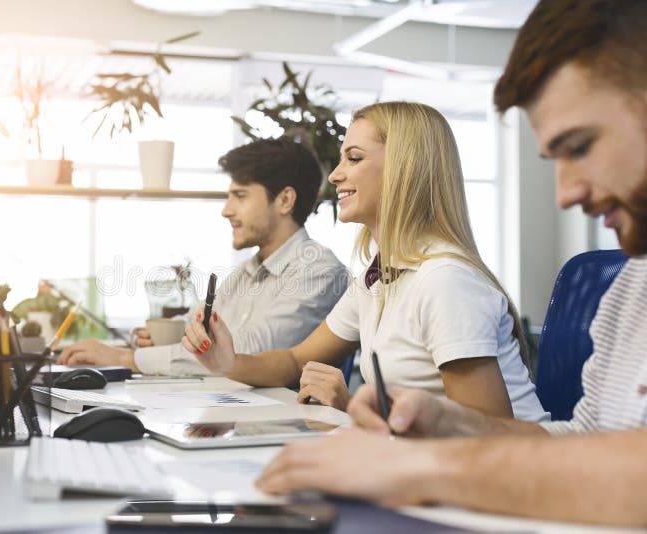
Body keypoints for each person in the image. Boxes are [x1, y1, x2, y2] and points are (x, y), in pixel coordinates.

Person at [254, 0, 647, 527]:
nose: (564, 194)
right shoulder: (630, 288)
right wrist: (451, 427)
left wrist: (427, 465)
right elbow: (589, 442)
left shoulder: (445, 279)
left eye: (581, 145)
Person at [183, 102, 547, 420]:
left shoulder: (444, 281)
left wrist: (354, 408)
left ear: (405, 168)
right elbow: (296, 361)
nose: (336, 174)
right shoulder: (377, 278)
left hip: (512, 482)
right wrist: (227, 362)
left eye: (354, 158)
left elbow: (486, 439)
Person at [58, 136, 349, 375]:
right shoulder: (246, 272)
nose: (226, 210)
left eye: (241, 195)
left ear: (284, 200)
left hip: (279, 425)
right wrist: (149, 340)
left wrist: (126, 359)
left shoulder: (319, 270)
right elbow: (191, 326)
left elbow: (245, 353)